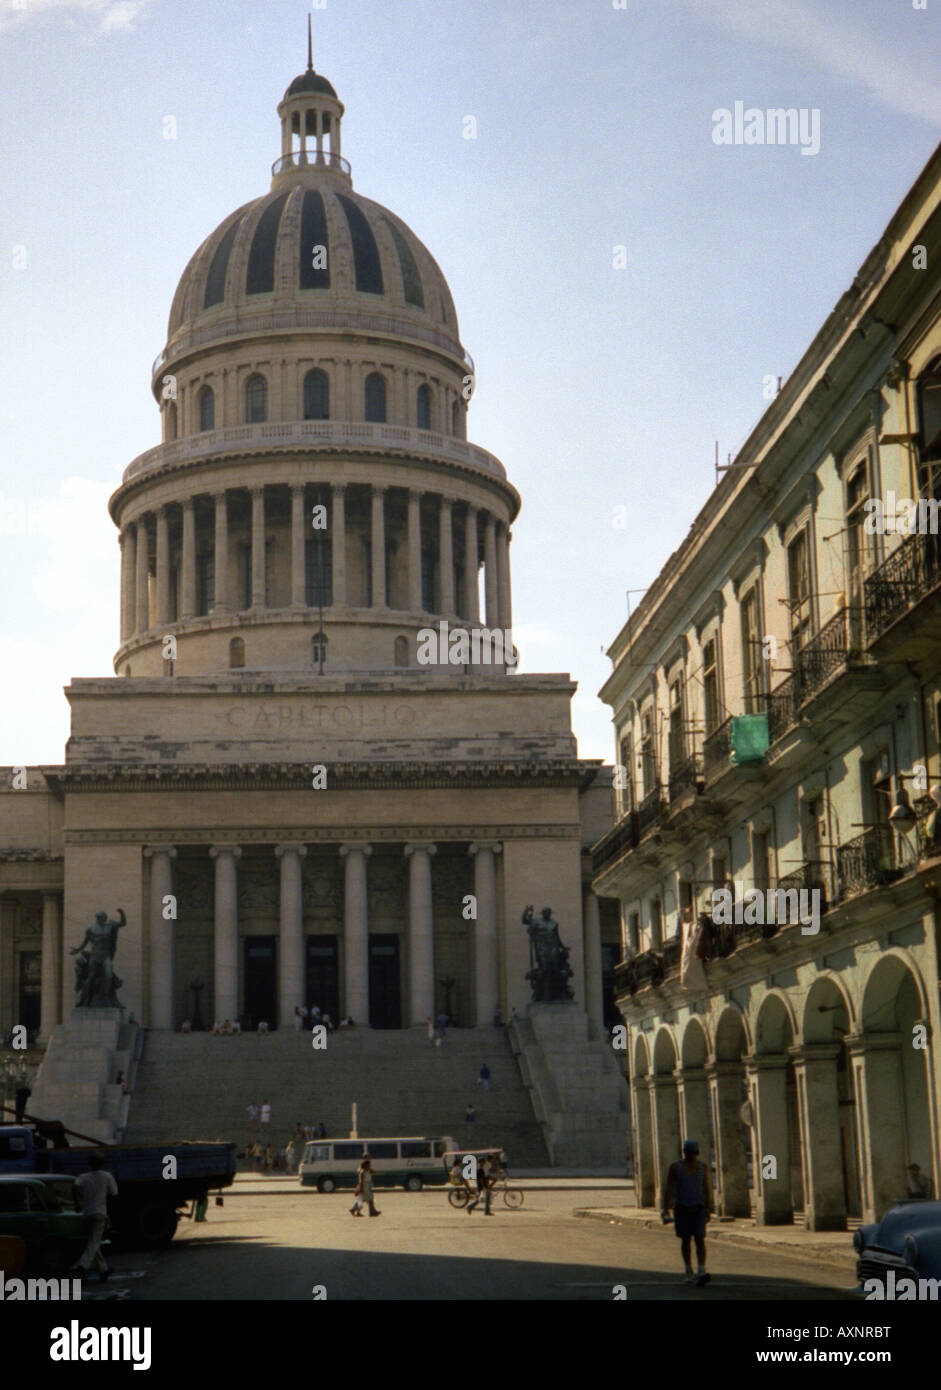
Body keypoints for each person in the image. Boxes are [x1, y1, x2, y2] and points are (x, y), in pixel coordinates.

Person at [662, 1139, 713, 1286]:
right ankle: (688, 1270)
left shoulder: (703, 1167)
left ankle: (701, 1269)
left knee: (700, 1239)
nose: (691, 1156)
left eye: (693, 1153)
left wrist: (709, 1207)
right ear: (685, 1153)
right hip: (682, 1208)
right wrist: (665, 1208)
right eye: (689, 1153)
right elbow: (669, 1188)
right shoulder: (675, 1167)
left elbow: (706, 1188)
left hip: (698, 1208)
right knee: (685, 1240)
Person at [71, 1153, 118, 1281]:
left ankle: (103, 1270)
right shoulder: (106, 1176)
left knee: (92, 1242)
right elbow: (114, 1193)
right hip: (100, 1213)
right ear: (102, 1164)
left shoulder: (83, 1177)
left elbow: (75, 1186)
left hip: (87, 1213)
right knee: (94, 1242)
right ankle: (82, 1266)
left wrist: (77, 1203)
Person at [467, 1151, 496, 1216]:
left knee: (484, 1199)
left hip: (482, 1185)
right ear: (481, 1162)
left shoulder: (480, 1169)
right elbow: (481, 1179)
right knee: (482, 1199)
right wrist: (484, 1186)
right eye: (483, 1162)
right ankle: (471, 1207)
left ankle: (486, 1211)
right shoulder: (480, 1170)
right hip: (482, 1186)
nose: (484, 1163)